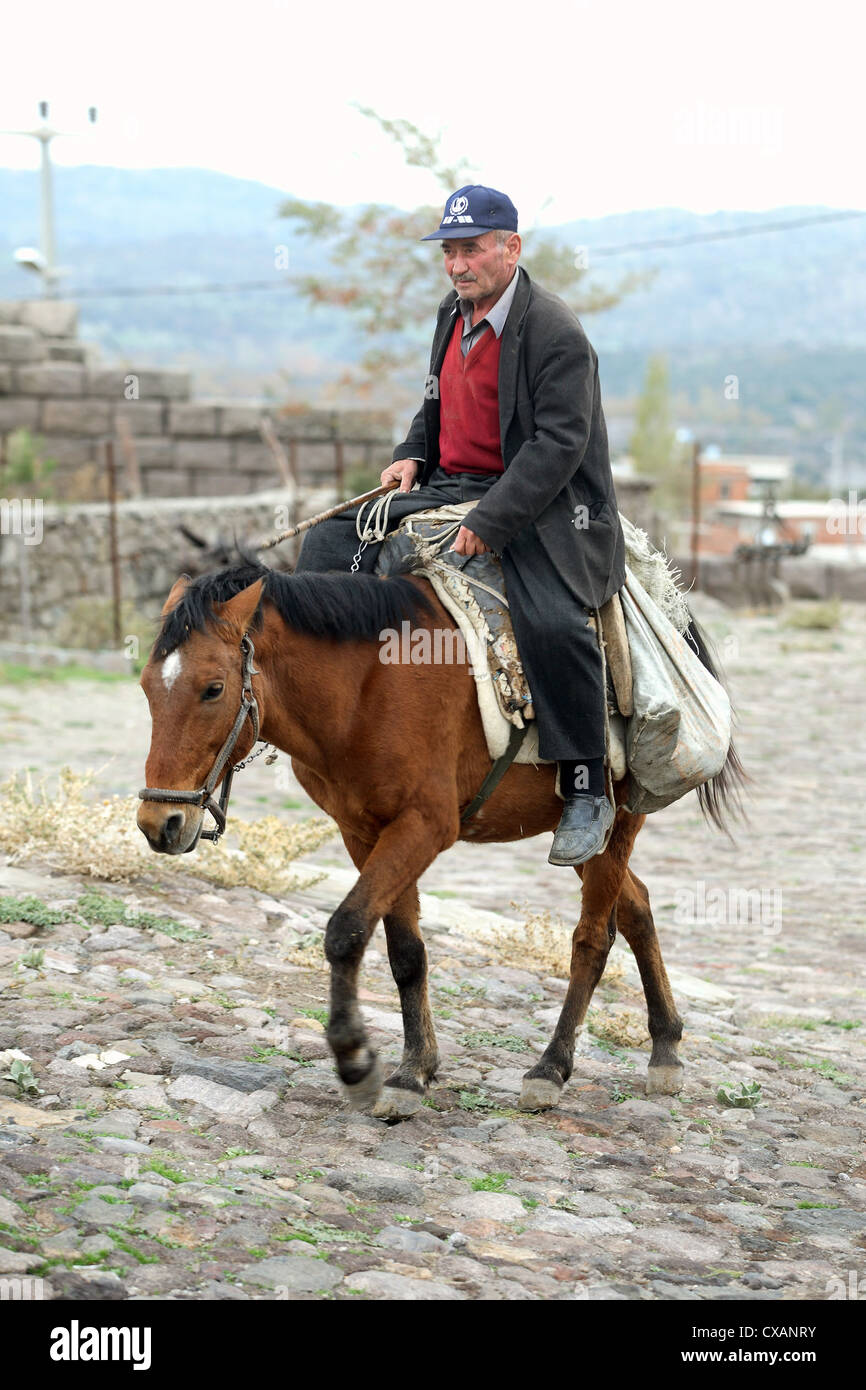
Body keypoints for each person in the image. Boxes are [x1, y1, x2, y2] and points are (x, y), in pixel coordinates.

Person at [295, 184, 626, 864]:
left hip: (547, 507)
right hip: (451, 485)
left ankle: (586, 784)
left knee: (554, 620)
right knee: (328, 542)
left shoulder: (556, 334)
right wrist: (410, 454)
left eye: (471, 250)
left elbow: (559, 446)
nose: (457, 265)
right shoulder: (454, 312)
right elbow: (433, 402)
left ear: (511, 248)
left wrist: (494, 517)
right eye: (449, 252)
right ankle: (326, 710)